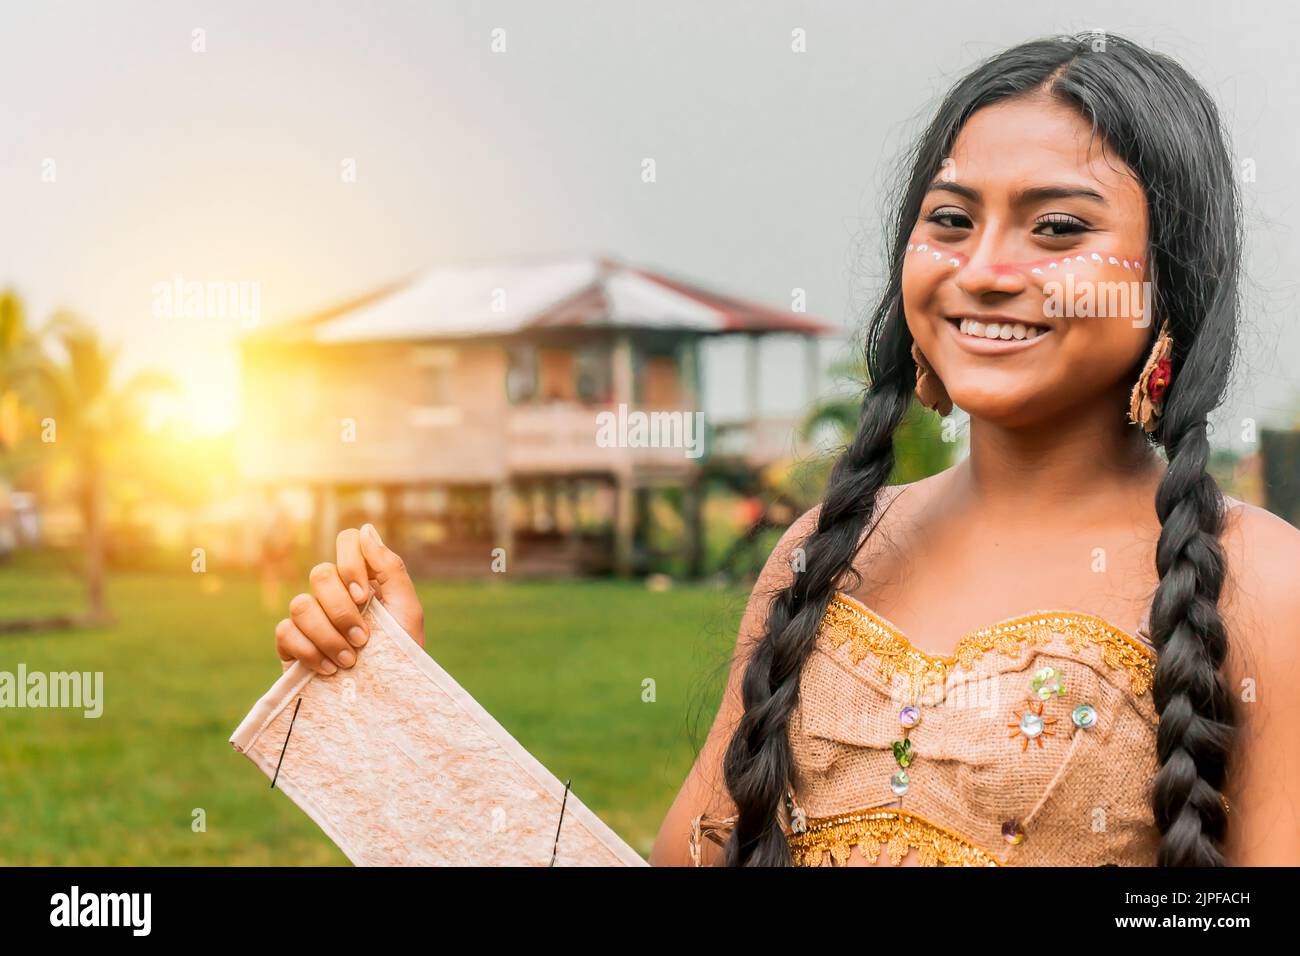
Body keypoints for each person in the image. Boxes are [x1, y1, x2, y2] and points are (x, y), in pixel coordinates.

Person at [271, 33, 1300, 866]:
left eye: (1056, 228)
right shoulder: (828, 548)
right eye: (950, 218)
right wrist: (401, 701)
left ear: (1170, 279)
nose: (984, 268)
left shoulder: (1261, 583)